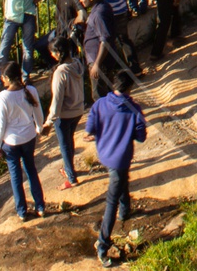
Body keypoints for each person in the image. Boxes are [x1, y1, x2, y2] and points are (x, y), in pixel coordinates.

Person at [85, 70, 147, 268]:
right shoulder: (134, 109)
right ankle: (102, 246)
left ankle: (126, 210)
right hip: (120, 158)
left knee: (121, 180)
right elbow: (141, 137)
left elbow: (90, 128)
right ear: (130, 88)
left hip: (105, 154)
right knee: (111, 201)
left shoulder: (100, 104)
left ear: (113, 85)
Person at [0, 61, 46, 222]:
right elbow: (38, 113)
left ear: (7, 78)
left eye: (3, 77)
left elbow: (1, 124)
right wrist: (39, 128)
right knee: (31, 170)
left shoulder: (3, 96)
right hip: (28, 138)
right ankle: (40, 206)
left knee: (16, 176)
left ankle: (22, 211)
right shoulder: (30, 90)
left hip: (11, 142)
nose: (2, 80)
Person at [43, 35, 86, 189]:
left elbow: (57, 101)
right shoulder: (77, 64)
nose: (52, 56)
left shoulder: (61, 72)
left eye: (53, 52)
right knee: (69, 140)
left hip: (65, 114)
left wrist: (48, 122)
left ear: (58, 52)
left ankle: (71, 178)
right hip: (78, 110)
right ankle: (69, 169)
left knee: (64, 145)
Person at [94, 0, 141, 75]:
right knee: (124, 39)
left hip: (110, 14)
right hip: (122, 10)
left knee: (107, 41)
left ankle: (111, 69)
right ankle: (135, 67)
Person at [77, 0, 124, 98]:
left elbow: (105, 40)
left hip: (100, 61)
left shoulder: (98, 14)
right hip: (101, 59)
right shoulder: (101, 7)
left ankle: (104, 116)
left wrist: (97, 64)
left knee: (99, 96)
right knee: (107, 93)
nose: (81, 1)